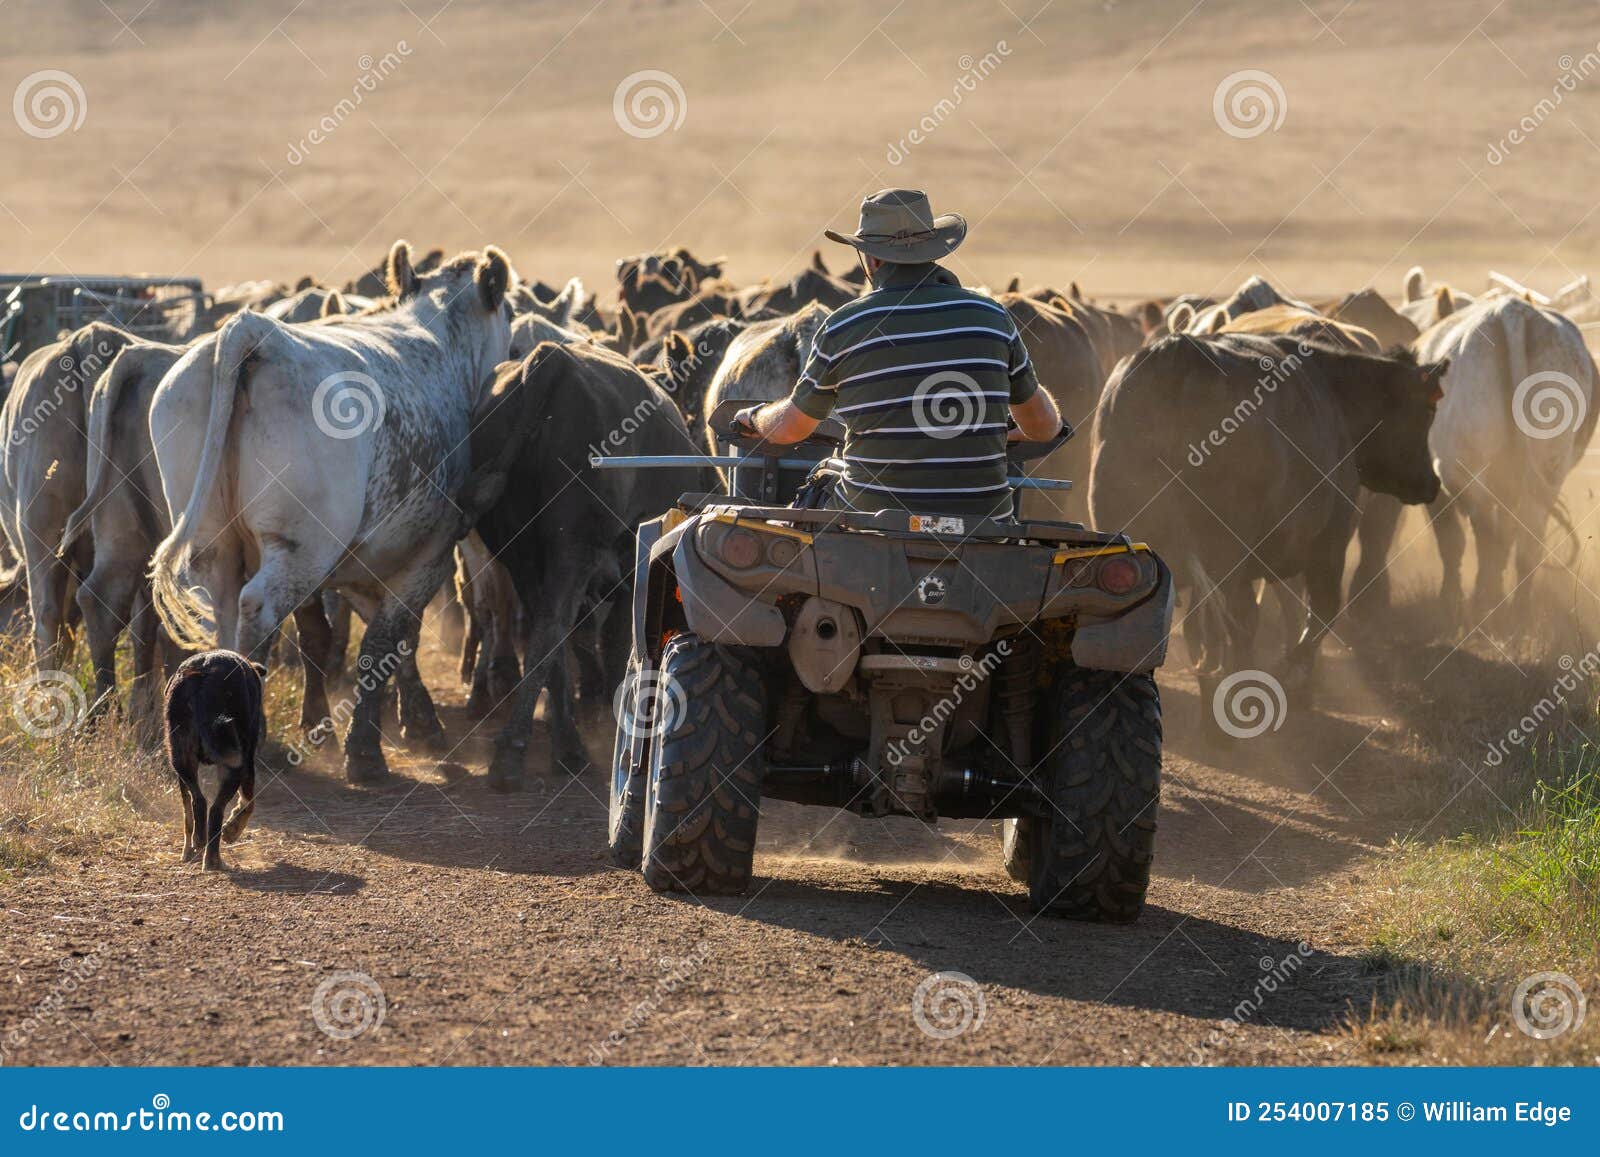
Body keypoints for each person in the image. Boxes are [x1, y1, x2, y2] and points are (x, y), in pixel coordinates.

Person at [734, 188, 1062, 519]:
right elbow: (1044, 429)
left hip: (871, 522)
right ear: (933, 250)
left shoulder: (844, 325)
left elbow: (791, 429)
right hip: (985, 523)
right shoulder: (993, 319)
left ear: (872, 259)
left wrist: (756, 417)